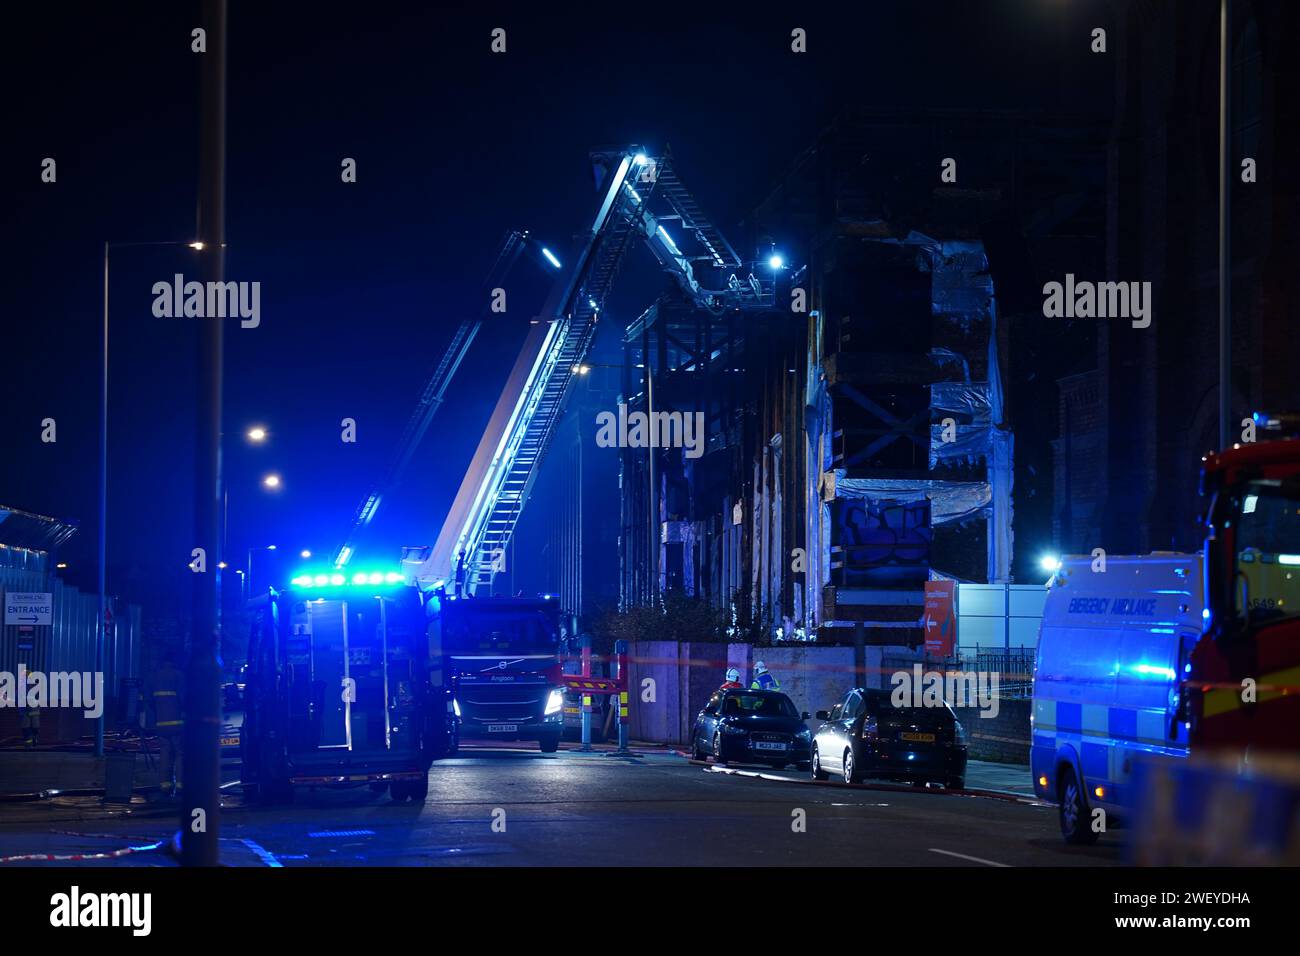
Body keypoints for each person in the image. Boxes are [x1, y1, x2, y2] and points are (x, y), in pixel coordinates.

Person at [150, 651, 184, 795]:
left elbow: (149, 701)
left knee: (164, 754)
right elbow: (185, 700)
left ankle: (165, 786)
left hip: (160, 724)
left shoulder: (154, 677)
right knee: (180, 754)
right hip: (177, 724)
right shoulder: (178, 676)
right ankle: (182, 786)